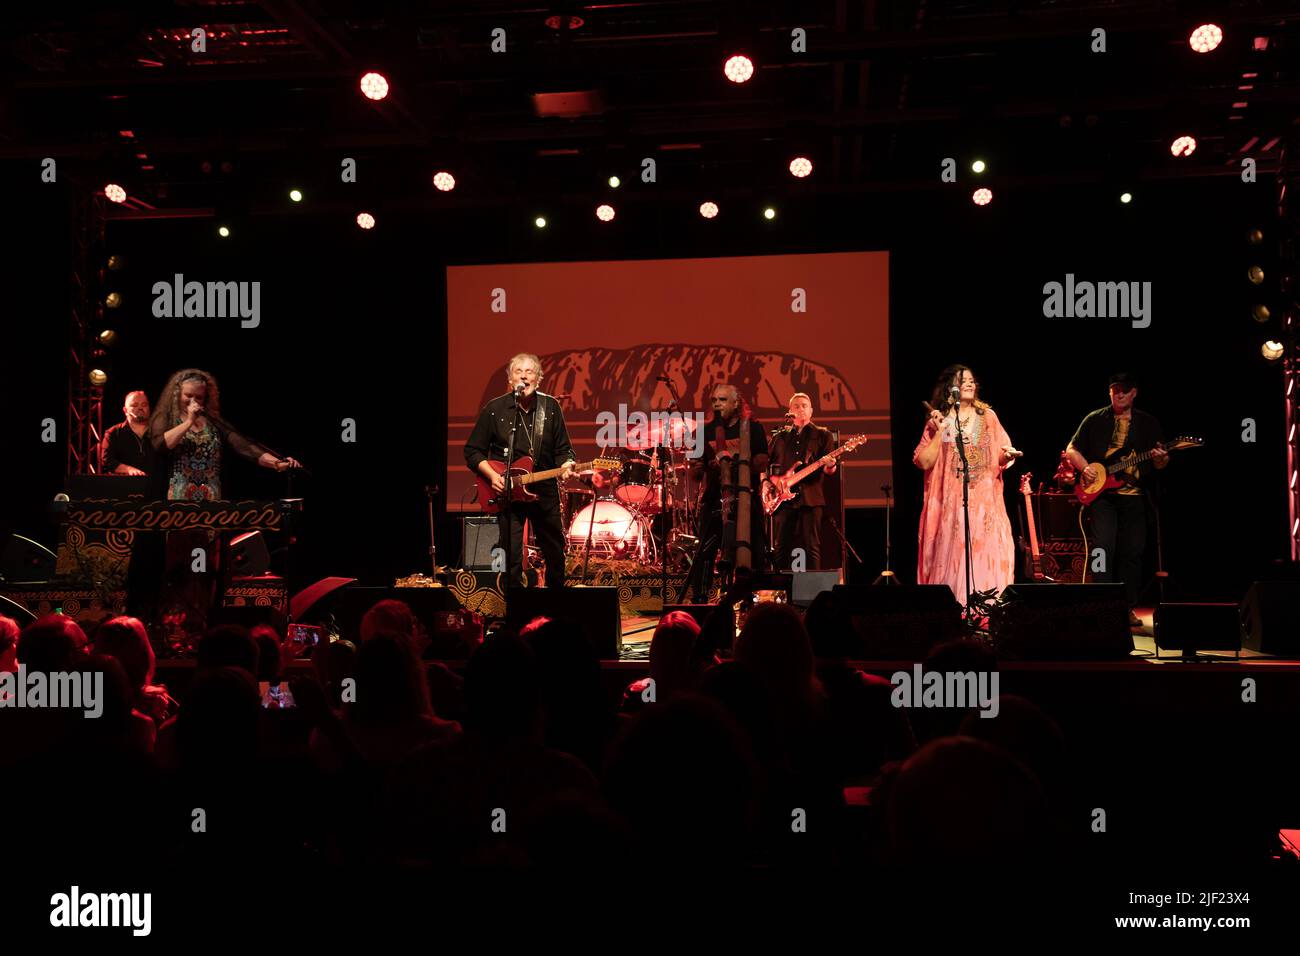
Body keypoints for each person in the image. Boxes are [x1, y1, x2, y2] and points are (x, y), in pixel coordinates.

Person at [463, 353, 576, 588]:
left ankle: (556, 609)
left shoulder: (551, 406)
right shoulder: (495, 409)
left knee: (555, 551)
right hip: (508, 493)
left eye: (530, 371)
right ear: (510, 378)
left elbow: (564, 450)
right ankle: (516, 611)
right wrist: (494, 477)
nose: (524, 375)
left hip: (543, 489)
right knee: (511, 556)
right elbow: (473, 451)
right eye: (518, 371)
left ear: (539, 378)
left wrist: (566, 464)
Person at [1065, 372, 1168, 626]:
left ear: (1134, 393)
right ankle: (1101, 606)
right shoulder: (1094, 419)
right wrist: (1086, 467)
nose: (1120, 394)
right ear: (1109, 393)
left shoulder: (1148, 423)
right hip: (1103, 498)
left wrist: (1159, 458)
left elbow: (1161, 462)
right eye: (1115, 389)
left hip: (1134, 496)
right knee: (1102, 549)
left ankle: (1126, 607)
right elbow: (1071, 449)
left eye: (1125, 390)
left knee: (1132, 553)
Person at [912, 365, 1020, 606]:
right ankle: (957, 611)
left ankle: (989, 614)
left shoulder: (988, 418)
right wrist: (940, 432)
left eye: (972, 380)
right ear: (951, 388)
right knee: (957, 556)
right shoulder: (940, 421)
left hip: (985, 505)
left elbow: (1000, 453)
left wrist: (1008, 456)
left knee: (986, 555)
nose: (970, 384)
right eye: (964, 380)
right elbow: (924, 461)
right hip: (954, 507)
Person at [149, 368, 301, 501]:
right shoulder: (166, 418)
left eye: (198, 397)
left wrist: (277, 463)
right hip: (178, 496)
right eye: (188, 395)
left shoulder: (213, 421)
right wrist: (189, 421)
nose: (193, 400)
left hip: (211, 495)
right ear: (177, 394)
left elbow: (245, 447)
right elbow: (161, 445)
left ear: (206, 398)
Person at [685, 384, 770, 601]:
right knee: (705, 552)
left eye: (722, 400)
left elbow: (761, 463)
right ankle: (701, 599)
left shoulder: (753, 428)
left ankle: (750, 602)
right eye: (714, 400)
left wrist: (734, 464)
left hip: (745, 498)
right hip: (715, 499)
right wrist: (697, 467)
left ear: (735, 403)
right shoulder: (703, 431)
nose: (717, 404)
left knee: (755, 552)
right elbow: (695, 474)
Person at [767, 392, 838, 570]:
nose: (801, 409)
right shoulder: (780, 437)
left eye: (804, 406)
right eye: (796, 406)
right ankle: (779, 589)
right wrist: (767, 484)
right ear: (789, 412)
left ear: (811, 411)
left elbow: (829, 470)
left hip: (811, 498)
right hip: (783, 498)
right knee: (781, 546)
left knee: (811, 545)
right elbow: (766, 466)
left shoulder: (823, 435)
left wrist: (830, 465)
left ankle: (815, 593)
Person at [100, 391, 156, 477]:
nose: (140, 408)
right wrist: (129, 469)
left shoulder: (159, 432)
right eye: (135, 405)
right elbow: (107, 460)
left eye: (144, 405)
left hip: (156, 485)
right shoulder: (114, 433)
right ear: (125, 410)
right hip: (124, 486)